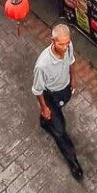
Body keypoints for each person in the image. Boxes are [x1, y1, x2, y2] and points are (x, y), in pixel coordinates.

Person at [32, 23, 83, 181]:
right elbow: (37, 90)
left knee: (53, 117)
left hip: (64, 89)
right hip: (50, 96)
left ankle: (45, 122)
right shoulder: (42, 65)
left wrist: (73, 78)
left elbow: (71, 61)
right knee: (60, 131)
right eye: (62, 43)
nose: (65, 46)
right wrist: (44, 107)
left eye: (67, 43)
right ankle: (72, 161)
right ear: (53, 41)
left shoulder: (69, 47)